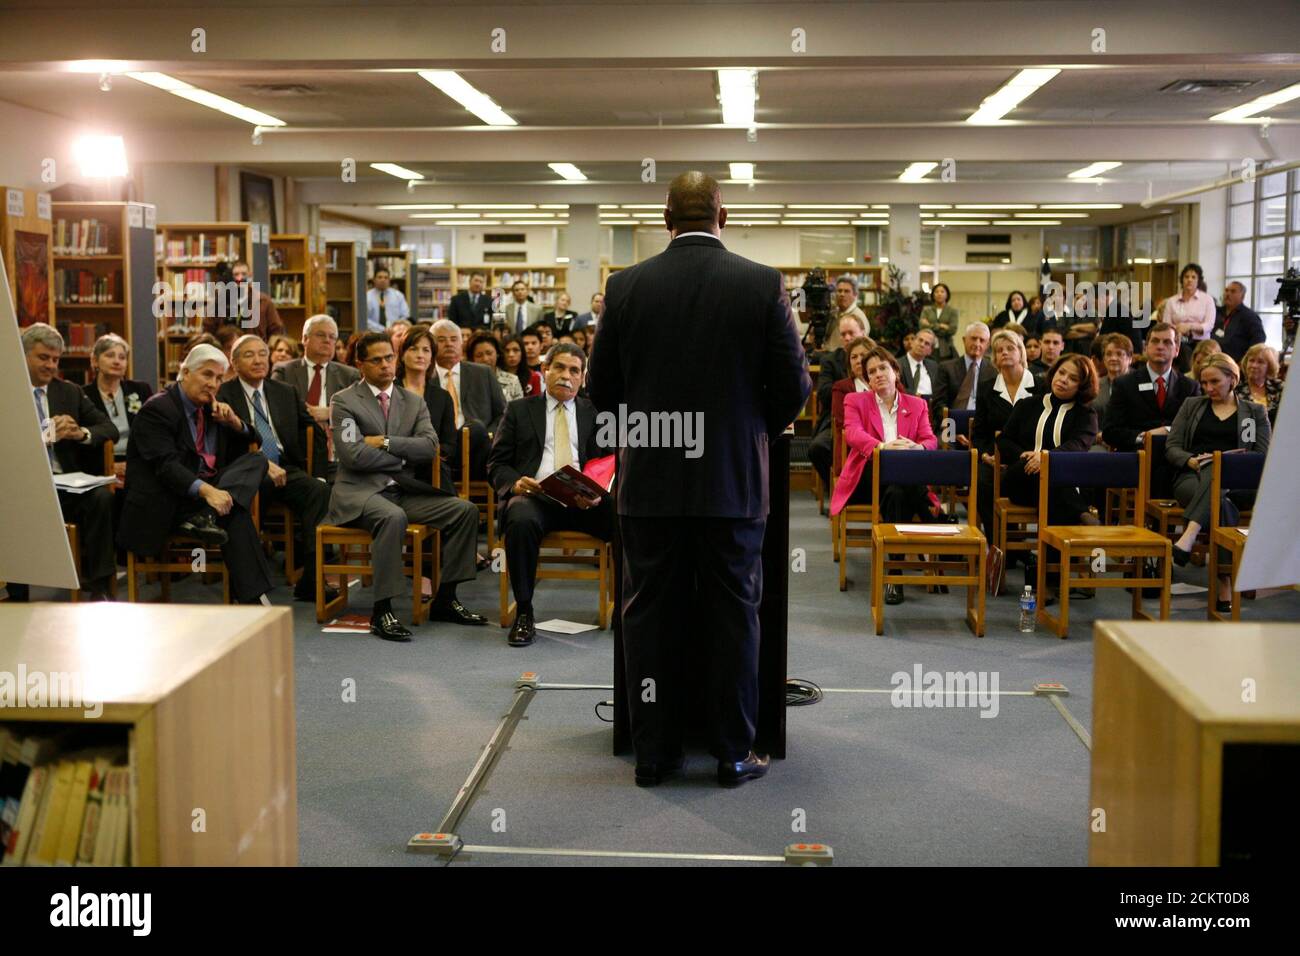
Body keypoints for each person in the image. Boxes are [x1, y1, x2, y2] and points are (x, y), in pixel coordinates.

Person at [588, 170, 809, 789]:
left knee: (648, 618)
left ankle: (654, 754)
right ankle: (734, 752)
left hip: (651, 482)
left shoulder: (626, 286)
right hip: (733, 483)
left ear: (664, 220)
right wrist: (750, 428)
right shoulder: (762, 284)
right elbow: (794, 389)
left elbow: (601, 393)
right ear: (724, 215)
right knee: (736, 616)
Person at [324, 332, 487, 640]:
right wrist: (400, 458)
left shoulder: (413, 402)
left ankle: (446, 598)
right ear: (361, 364)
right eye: (377, 360)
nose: (386, 365)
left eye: (389, 358)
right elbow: (351, 454)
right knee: (392, 517)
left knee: (464, 511)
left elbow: (429, 447)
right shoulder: (343, 401)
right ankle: (382, 609)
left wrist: (385, 442)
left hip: (401, 490)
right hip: (359, 493)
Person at [118, 344, 274, 605]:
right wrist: (208, 491)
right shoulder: (157, 410)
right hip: (166, 499)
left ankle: (207, 517)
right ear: (185, 372)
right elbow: (166, 467)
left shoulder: (211, 410)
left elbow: (254, 441)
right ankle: (253, 598)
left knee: (257, 461)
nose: (213, 384)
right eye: (207, 374)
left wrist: (235, 422)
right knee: (235, 513)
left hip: (201, 500)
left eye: (218, 378)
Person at [488, 344, 615, 647]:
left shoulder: (594, 412)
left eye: (574, 370)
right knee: (519, 518)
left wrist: (598, 493)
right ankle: (525, 611)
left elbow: (610, 461)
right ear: (544, 370)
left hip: (583, 500)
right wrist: (516, 482)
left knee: (628, 517)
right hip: (535, 496)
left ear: (583, 377)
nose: (565, 376)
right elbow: (497, 464)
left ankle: (629, 605)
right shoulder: (520, 409)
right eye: (558, 367)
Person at [218, 335, 334, 603]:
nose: (258, 360)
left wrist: (317, 472)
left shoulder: (284, 391)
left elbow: (313, 431)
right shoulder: (224, 395)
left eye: (262, 353)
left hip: (286, 467)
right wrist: (261, 463)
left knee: (318, 490)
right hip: (247, 472)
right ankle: (251, 583)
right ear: (233, 363)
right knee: (245, 504)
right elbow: (223, 445)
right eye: (249, 355)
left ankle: (312, 579)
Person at [9, 324, 118, 603]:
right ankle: (19, 589)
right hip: (21, 486)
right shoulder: (8, 391)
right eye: (43, 357)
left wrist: (80, 433)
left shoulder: (68, 392)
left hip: (65, 483)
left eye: (56, 359)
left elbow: (108, 427)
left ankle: (98, 586)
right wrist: (44, 437)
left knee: (101, 499)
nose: (51, 365)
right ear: (23, 356)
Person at [829, 346, 938, 605]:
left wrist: (917, 447)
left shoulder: (917, 404)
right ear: (867, 380)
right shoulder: (855, 401)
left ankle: (893, 574)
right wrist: (883, 448)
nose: (877, 374)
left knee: (897, 492)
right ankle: (934, 515)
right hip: (865, 476)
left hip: (899, 482)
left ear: (895, 371)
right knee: (898, 476)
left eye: (883, 368)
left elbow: (930, 439)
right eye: (871, 372)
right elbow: (853, 434)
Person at [1166, 353, 1271, 612]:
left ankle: (1189, 533)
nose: (1208, 388)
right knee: (1220, 501)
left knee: (1220, 470)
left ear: (1232, 379)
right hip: (1192, 478)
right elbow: (1172, 447)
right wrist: (1191, 461)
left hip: (1239, 483)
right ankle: (1224, 581)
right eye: (1204, 382)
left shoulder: (1254, 412)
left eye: (1215, 382)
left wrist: (1226, 464)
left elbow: (1261, 455)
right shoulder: (1192, 406)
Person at [997, 353, 1100, 528]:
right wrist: (1027, 457)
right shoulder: (1027, 405)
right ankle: (1081, 513)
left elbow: (1078, 445)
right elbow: (1004, 439)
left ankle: (1056, 551)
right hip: (1022, 478)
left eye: (1073, 378)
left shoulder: (1086, 415)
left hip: (1063, 482)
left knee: (1053, 491)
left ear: (1082, 386)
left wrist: (1046, 458)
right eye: (1061, 373)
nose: (1063, 380)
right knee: (1052, 484)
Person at [1102, 321, 1200, 498]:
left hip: (1174, 458)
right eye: (1155, 341)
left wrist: (1167, 431)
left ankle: (1161, 522)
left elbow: (1194, 429)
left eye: (1167, 342)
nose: (1160, 346)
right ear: (1146, 348)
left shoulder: (1190, 387)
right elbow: (1110, 431)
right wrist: (1145, 436)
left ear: (1177, 349)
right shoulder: (1124, 384)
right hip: (1137, 454)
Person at [271, 314, 362, 478]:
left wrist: (330, 412)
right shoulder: (284, 370)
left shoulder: (349, 375)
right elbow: (275, 409)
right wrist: (307, 414)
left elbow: (361, 412)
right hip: (295, 451)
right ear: (305, 339)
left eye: (332, 337)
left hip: (336, 451)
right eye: (321, 335)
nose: (327, 340)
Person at [971, 329, 1040, 537]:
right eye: (999, 350)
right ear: (994, 358)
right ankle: (997, 543)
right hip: (995, 456)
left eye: (1010, 348)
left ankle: (1020, 542)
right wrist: (985, 455)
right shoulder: (986, 388)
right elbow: (980, 431)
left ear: (1021, 353)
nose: (1005, 353)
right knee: (983, 482)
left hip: (1031, 456)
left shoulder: (1040, 385)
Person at [429, 319, 507, 482]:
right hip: (438, 450)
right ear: (431, 345)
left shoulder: (482, 373)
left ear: (462, 344)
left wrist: (488, 435)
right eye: (441, 340)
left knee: (476, 428)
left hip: (478, 449)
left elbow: (502, 414)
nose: (449, 344)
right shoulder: (425, 377)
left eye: (454, 339)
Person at [807, 334, 875, 489]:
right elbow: (844, 422)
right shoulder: (841, 387)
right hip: (851, 440)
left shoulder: (885, 383)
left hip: (882, 443)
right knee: (818, 447)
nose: (858, 360)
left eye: (863, 356)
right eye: (854, 357)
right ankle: (834, 489)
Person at [395, 326, 457, 492]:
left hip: (430, 464)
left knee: (439, 469)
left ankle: (454, 511)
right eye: (413, 349)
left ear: (432, 358)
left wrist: (425, 450)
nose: (420, 355)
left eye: (426, 350)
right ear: (401, 355)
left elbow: (449, 444)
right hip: (394, 464)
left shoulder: (442, 397)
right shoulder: (388, 392)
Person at [83, 333, 153, 469]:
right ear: (94, 361)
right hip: (99, 465)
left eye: (122, 357)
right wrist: (109, 466)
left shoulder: (140, 390)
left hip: (139, 462)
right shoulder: (83, 395)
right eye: (110, 355)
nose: (117, 361)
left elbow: (152, 433)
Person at [202, 259, 285, 341]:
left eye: (244, 274)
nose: (240, 278)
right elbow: (208, 330)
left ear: (250, 276)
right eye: (236, 274)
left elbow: (276, 331)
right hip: (226, 349)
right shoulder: (219, 300)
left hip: (254, 350)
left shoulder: (264, 301)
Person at [1160, 263, 1216, 373]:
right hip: (1178, 339)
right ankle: (1188, 379)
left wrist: (1190, 327)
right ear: (1182, 280)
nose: (1189, 280)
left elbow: (1209, 325)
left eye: (1193, 277)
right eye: (1186, 277)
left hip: (1201, 341)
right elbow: (1165, 325)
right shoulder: (1172, 301)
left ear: (1198, 280)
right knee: (1183, 350)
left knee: (1196, 353)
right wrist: (1178, 329)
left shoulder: (1207, 300)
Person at [936, 321, 994, 413]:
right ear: (964, 340)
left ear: (987, 345)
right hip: (951, 422)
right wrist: (950, 424)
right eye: (974, 339)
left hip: (982, 424)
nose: (977, 344)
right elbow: (938, 404)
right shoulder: (946, 368)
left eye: (982, 340)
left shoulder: (993, 372)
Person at [813, 274, 870, 352]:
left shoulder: (858, 316)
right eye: (839, 291)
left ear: (855, 295)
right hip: (828, 356)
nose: (842, 294)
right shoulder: (834, 314)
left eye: (846, 291)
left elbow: (860, 348)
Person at [1213, 281, 1266, 363]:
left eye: (1233, 291)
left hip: (1236, 362)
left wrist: (1246, 360)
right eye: (1226, 290)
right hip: (1214, 359)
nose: (1228, 294)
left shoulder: (1249, 316)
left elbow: (1259, 339)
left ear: (1242, 296)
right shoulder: (1216, 312)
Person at [465, 331, 525, 403]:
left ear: (497, 353)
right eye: (479, 355)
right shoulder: (466, 382)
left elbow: (519, 411)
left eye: (489, 353)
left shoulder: (512, 381)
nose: (485, 359)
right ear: (472, 359)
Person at [1236, 343, 1283, 425]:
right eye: (1251, 360)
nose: (1254, 365)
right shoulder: (1236, 387)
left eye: (1260, 362)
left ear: (1269, 366)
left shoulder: (1279, 387)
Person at [1092, 332, 1133, 425]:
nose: (1113, 358)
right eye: (1108, 354)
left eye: (1119, 354)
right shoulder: (1095, 385)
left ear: (1130, 358)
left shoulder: (1139, 382)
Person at [898, 328, 940, 407]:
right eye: (920, 340)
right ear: (913, 342)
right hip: (907, 407)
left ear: (930, 351)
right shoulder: (898, 364)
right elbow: (896, 389)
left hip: (930, 409)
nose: (922, 345)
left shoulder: (934, 366)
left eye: (927, 343)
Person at [919, 282, 958, 361]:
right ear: (933, 294)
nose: (939, 294)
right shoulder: (927, 310)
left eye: (942, 291)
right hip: (928, 347)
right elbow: (922, 327)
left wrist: (930, 325)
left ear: (947, 294)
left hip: (946, 349)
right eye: (936, 292)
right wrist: (941, 326)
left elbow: (952, 330)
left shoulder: (952, 311)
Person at [365, 267, 410, 332]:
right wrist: (382, 329)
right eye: (380, 277)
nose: (383, 280)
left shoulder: (398, 296)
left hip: (394, 333)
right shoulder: (367, 297)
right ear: (374, 279)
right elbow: (364, 319)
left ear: (389, 280)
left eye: (386, 277)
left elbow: (405, 316)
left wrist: (394, 328)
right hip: (373, 333)